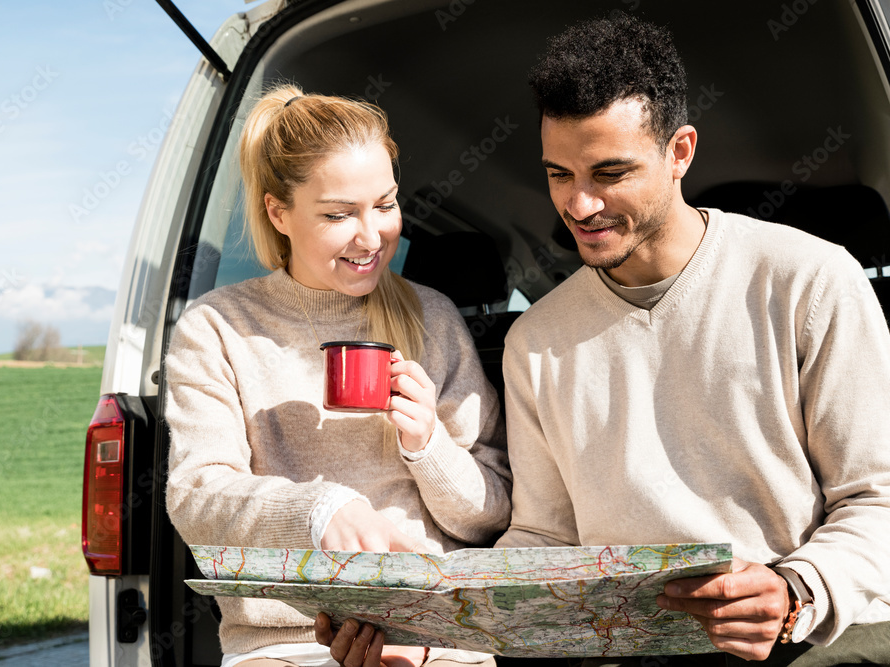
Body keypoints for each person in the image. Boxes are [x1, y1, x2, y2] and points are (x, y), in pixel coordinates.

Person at [493, 14, 890, 667]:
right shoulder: (533, 341)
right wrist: (435, 627)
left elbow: (877, 496)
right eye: (559, 174)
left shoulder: (812, 282)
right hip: (626, 652)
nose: (580, 205)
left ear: (680, 151)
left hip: (805, 636)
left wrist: (796, 591)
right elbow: (543, 537)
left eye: (609, 172)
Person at [163, 84, 512, 667]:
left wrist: (428, 445)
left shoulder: (434, 318)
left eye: (384, 204)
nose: (372, 237)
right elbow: (197, 498)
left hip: (439, 643)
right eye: (337, 214)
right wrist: (320, 511)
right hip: (285, 648)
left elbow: (493, 513)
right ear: (279, 212)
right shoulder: (217, 328)